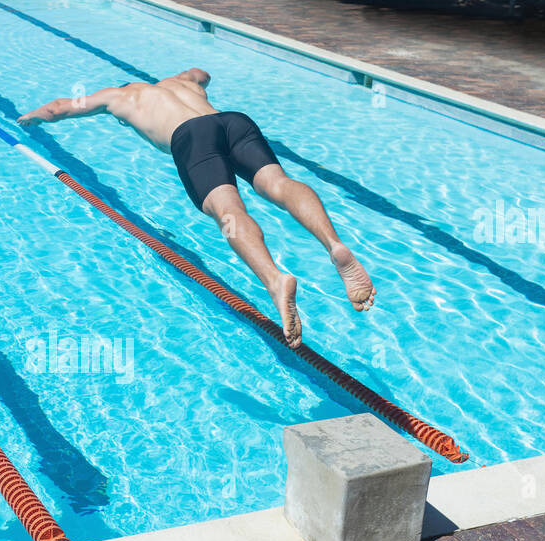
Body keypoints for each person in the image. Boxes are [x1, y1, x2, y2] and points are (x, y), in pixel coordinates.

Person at [19, 68, 375, 347]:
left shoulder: (117, 96)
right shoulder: (182, 81)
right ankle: (334, 245)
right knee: (279, 185)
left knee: (229, 213)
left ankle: (275, 281)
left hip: (192, 138)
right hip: (234, 122)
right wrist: (197, 79)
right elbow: (200, 71)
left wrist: (31, 118)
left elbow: (59, 108)